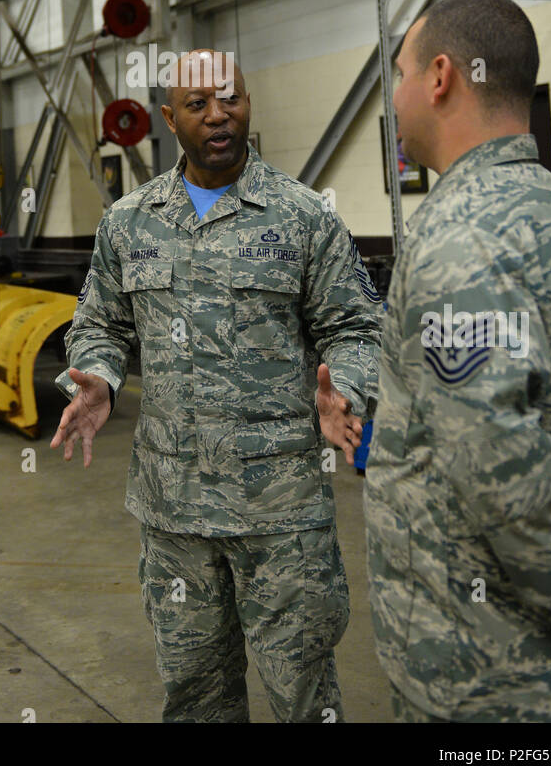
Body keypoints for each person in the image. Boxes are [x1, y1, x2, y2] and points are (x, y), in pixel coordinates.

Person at [51, 48, 381, 722]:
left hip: (281, 512)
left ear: (247, 102)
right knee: (195, 698)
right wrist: (101, 379)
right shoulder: (129, 221)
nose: (217, 115)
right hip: (174, 516)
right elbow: (99, 326)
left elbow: (356, 327)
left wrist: (343, 385)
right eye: (197, 105)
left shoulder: (303, 216)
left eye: (229, 98)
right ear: (169, 118)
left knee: (303, 694)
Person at [365, 0, 551, 722]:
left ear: (440, 77)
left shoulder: (460, 237)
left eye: (401, 73)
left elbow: (497, 461)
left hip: (488, 675)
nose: (396, 94)